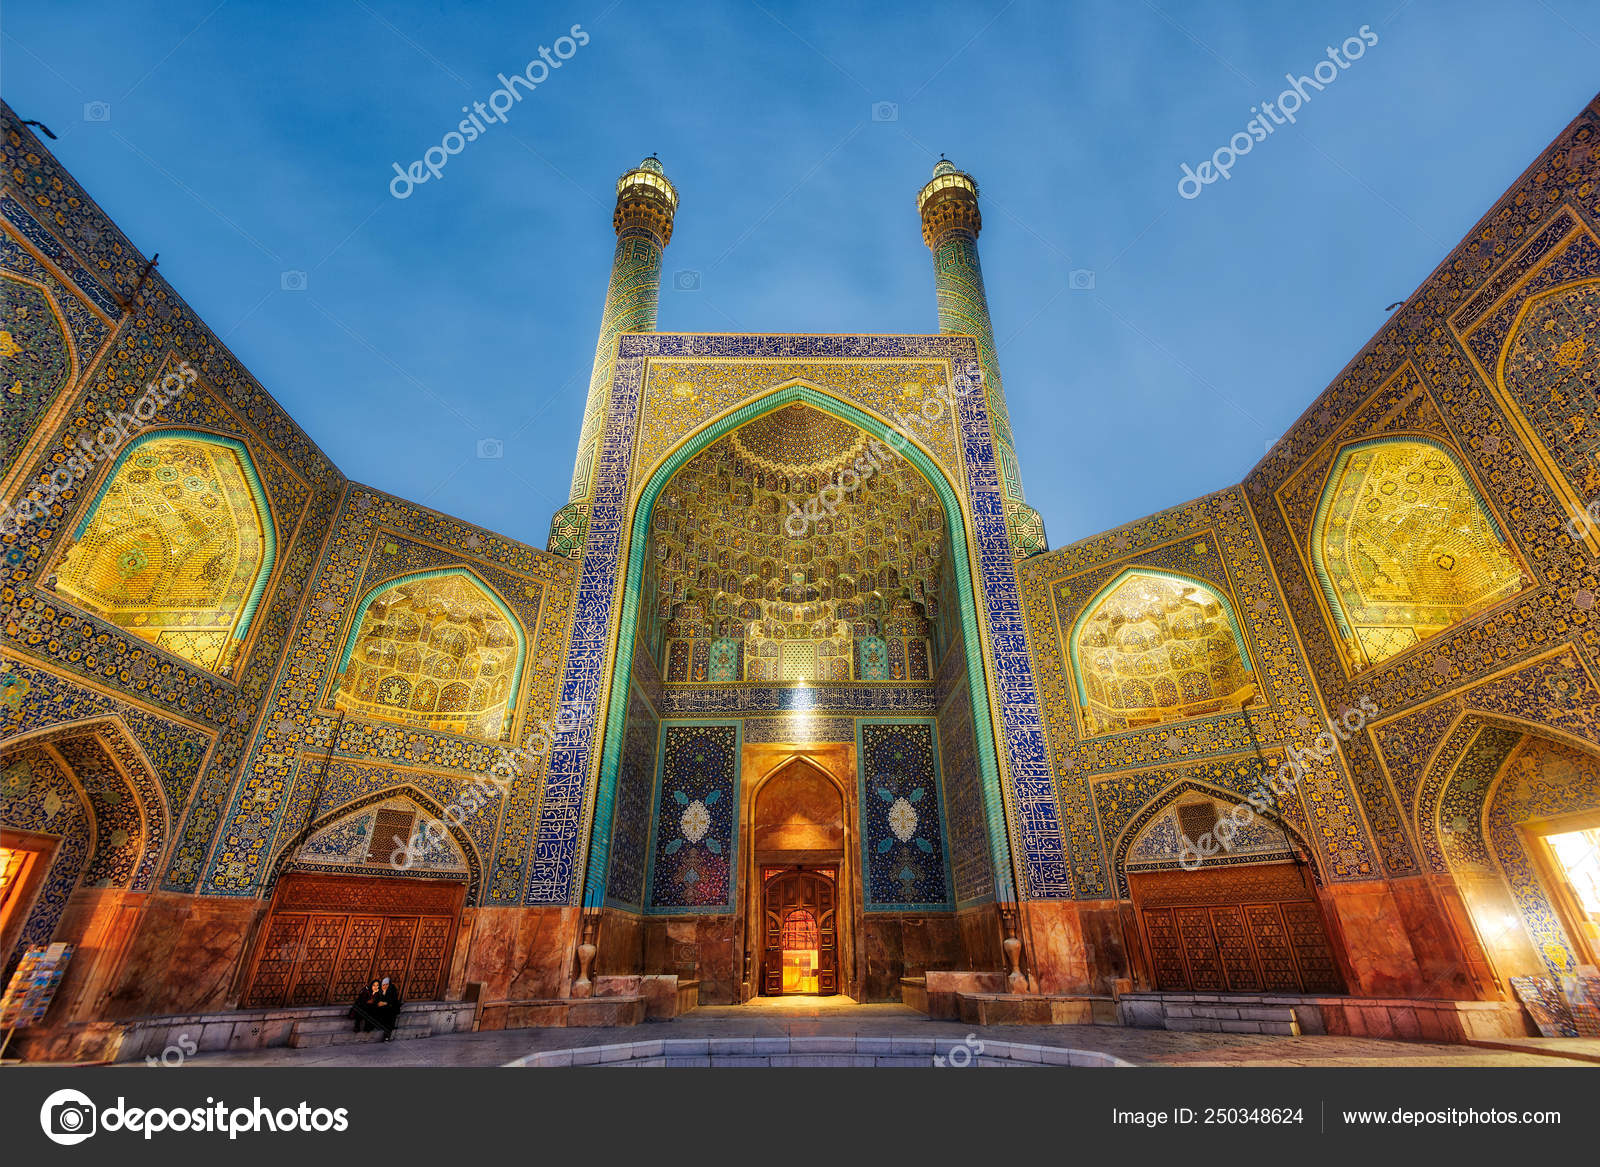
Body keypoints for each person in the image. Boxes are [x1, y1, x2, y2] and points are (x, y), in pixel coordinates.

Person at [372, 975, 403, 1041]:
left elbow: (394, 1000)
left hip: (391, 1008)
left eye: (387, 984)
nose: (385, 986)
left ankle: (387, 1035)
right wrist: (379, 1003)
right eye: (383, 984)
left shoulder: (392, 989)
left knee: (390, 1015)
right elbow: (376, 998)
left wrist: (386, 1003)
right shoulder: (379, 989)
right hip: (382, 1008)